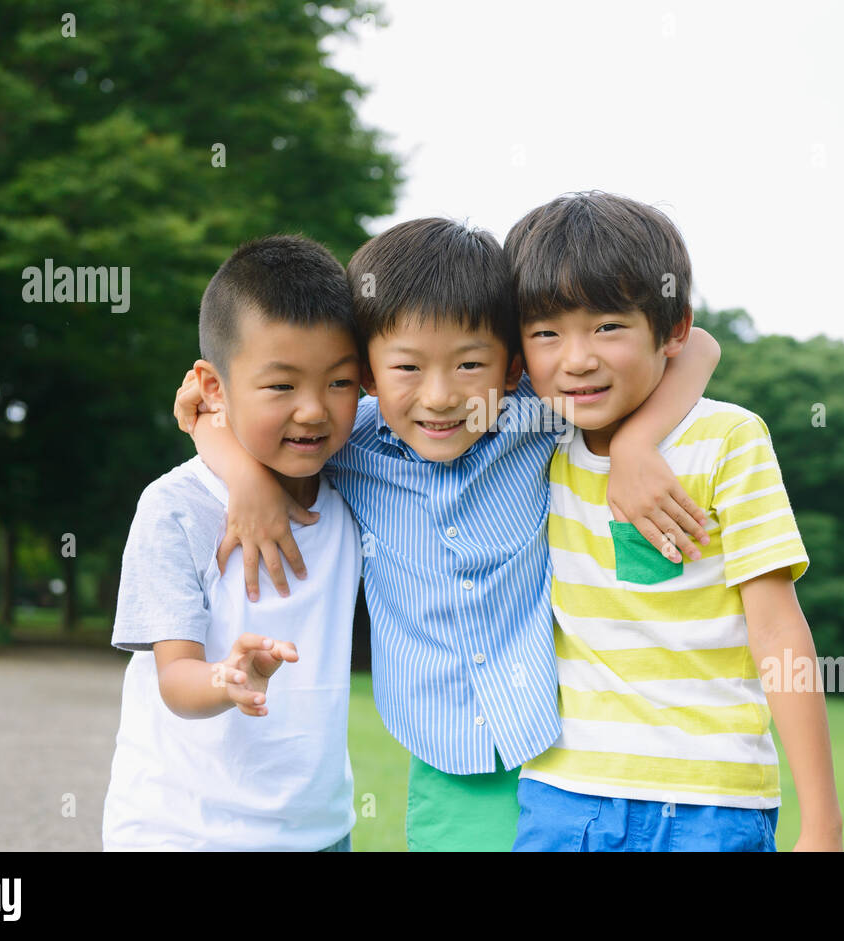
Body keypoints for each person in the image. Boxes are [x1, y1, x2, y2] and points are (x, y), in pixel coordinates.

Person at [174, 217, 721, 850]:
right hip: (444, 749)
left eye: (469, 365)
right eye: (406, 367)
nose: (438, 397)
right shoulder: (352, 440)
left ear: (512, 368)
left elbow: (699, 345)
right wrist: (246, 480)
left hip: (566, 740)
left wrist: (633, 443)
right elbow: (204, 402)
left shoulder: (533, 422)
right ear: (370, 375)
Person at [505, 192, 844, 851]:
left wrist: (823, 824)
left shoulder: (728, 439)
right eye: (546, 332)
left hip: (713, 803)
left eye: (608, 326)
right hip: (564, 795)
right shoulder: (534, 439)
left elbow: (776, 629)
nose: (575, 358)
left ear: (670, 329)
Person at [102, 234, 364, 851]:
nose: (313, 412)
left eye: (340, 382)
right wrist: (228, 677)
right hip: (182, 832)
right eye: (280, 386)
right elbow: (176, 681)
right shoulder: (177, 510)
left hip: (319, 834)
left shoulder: (359, 479)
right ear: (215, 388)